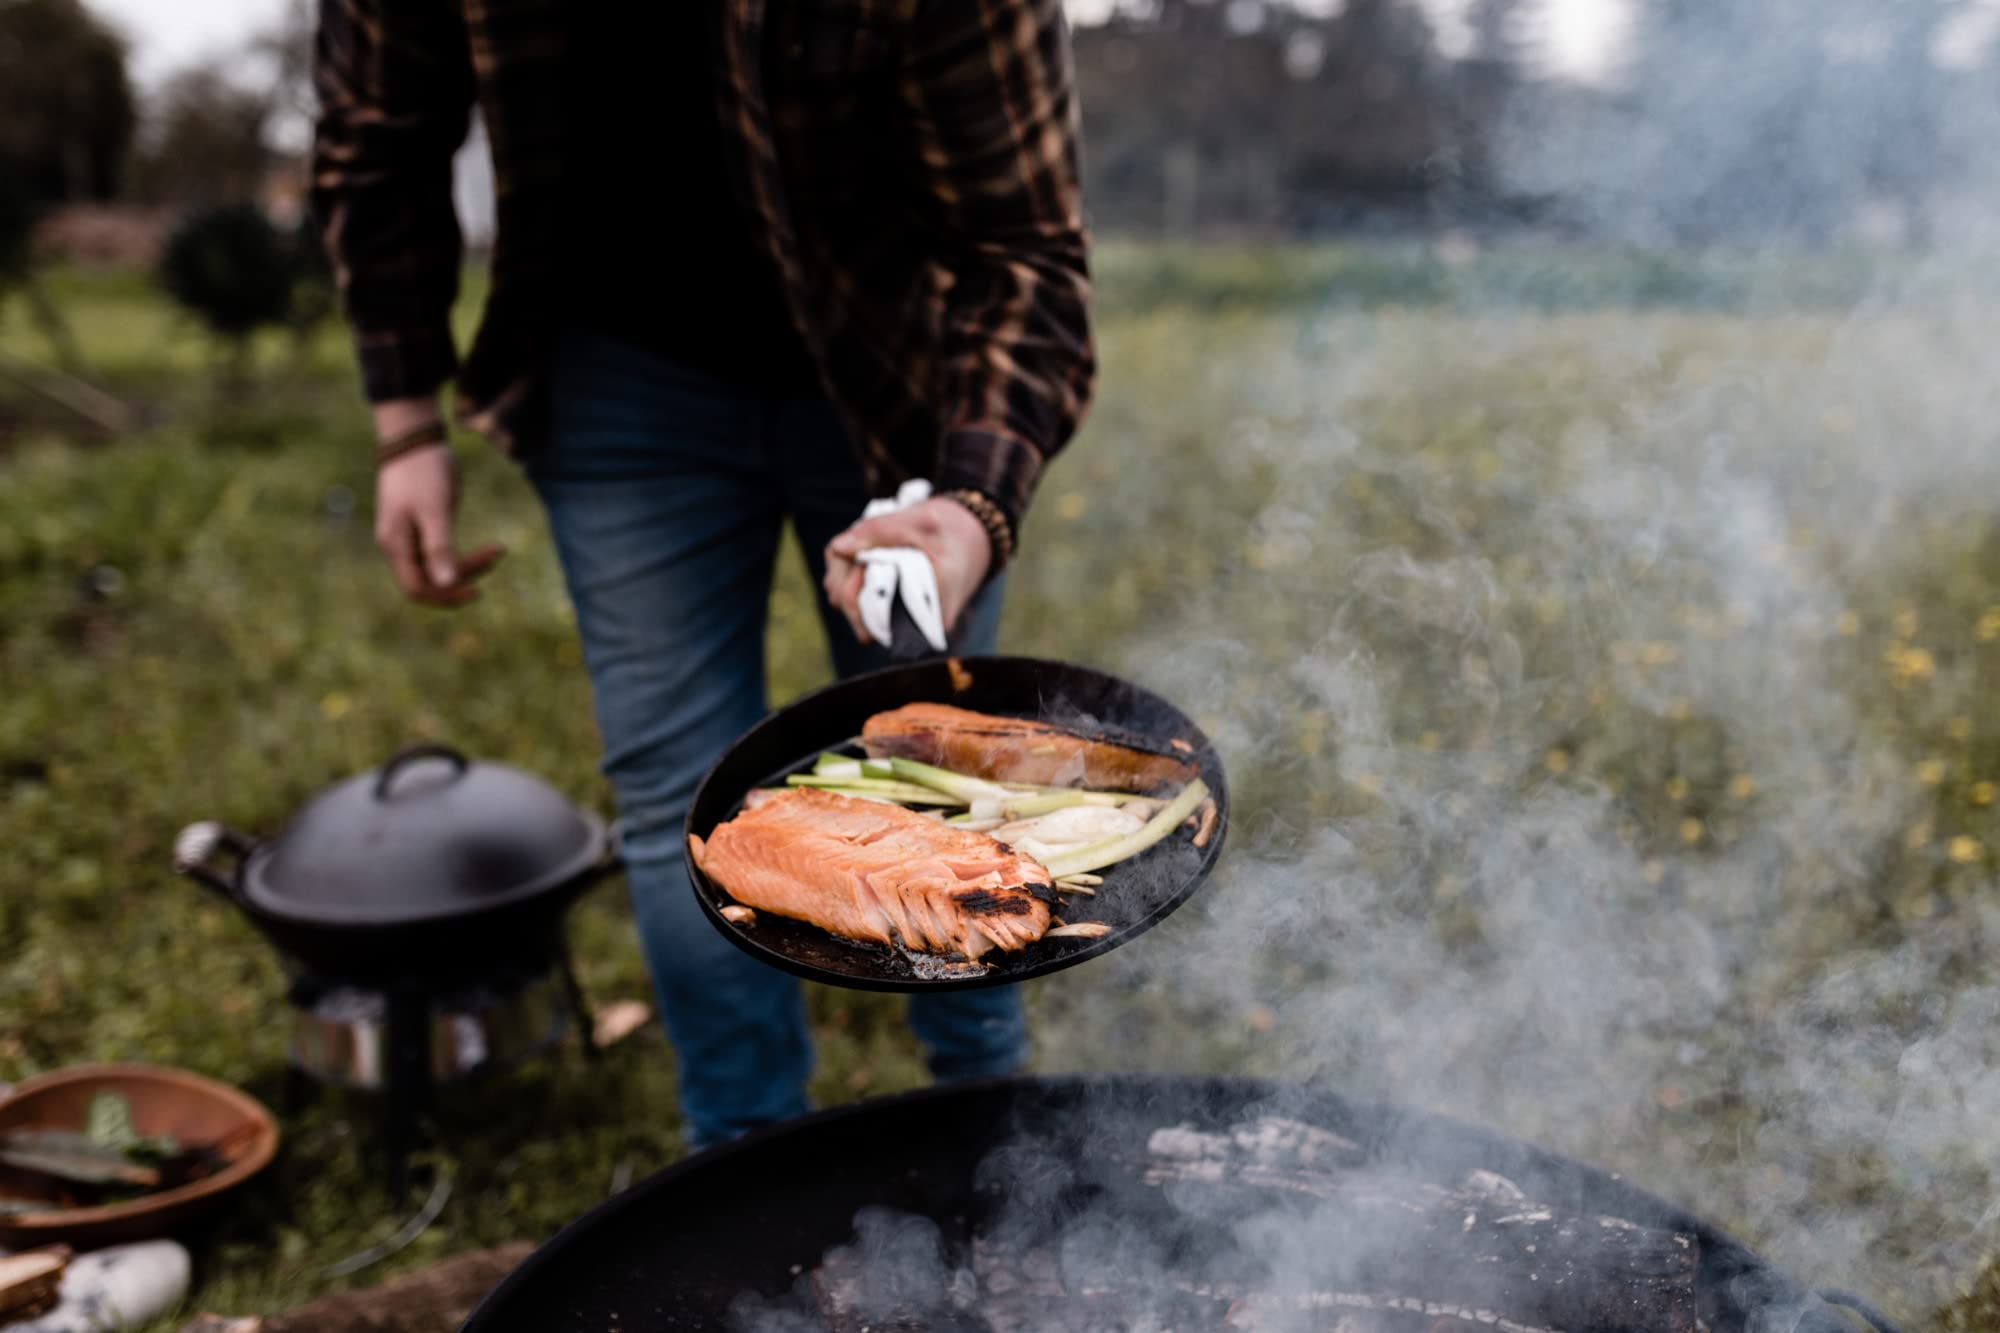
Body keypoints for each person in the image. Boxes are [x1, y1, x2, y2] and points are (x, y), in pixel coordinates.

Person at [308, 0, 1096, 1151]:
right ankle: (743, 1161)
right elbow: (377, 137)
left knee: (941, 758)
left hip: (887, 363)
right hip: (616, 373)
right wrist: (404, 425)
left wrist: (968, 508)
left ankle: (978, 1126)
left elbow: (1022, 244)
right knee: (682, 794)